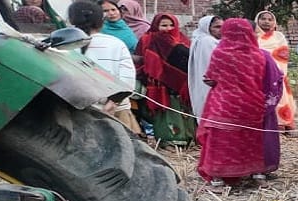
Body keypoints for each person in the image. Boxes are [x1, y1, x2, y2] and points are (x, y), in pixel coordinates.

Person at [197, 18, 282, 189]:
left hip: (224, 104)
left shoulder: (221, 53)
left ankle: (218, 178)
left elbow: (211, 79)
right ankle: (256, 173)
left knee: (221, 141)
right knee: (250, 139)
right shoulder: (259, 55)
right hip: (251, 103)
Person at [67, 0, 139, 134]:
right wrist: (114, 102)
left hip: (78, 111)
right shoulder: (116, 44)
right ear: (101, 20)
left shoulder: (65, 45)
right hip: (116, 110)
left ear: (71, 20)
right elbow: (128, 78)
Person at [135, 13, 196, 145]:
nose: (168, 28)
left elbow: (191, 59)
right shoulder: (147, 39)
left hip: (181, 84)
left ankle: (188, 139)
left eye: (171, 25)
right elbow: (140, 61)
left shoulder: (182, 39)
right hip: (159, 85)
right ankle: (168, 141)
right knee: (165, 111)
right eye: (163, 25)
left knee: (183, 110)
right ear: (156, 25)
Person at [255, 10, 296, 132]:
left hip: (277, 73)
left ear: (274, 22)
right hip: (259, 74)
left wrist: (273, 69)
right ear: (257, 20)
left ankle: (282, 123)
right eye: (263, 19)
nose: (267, 22)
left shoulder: (279, 36)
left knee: (280, 96)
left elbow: (282, 55)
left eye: (270, 19)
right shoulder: (253, 36)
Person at [188, 15, 221, 118]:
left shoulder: (200, 39)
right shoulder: (207, 41)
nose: (221, 30)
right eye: (217, 27)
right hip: (209, 84)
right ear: (207, 28)